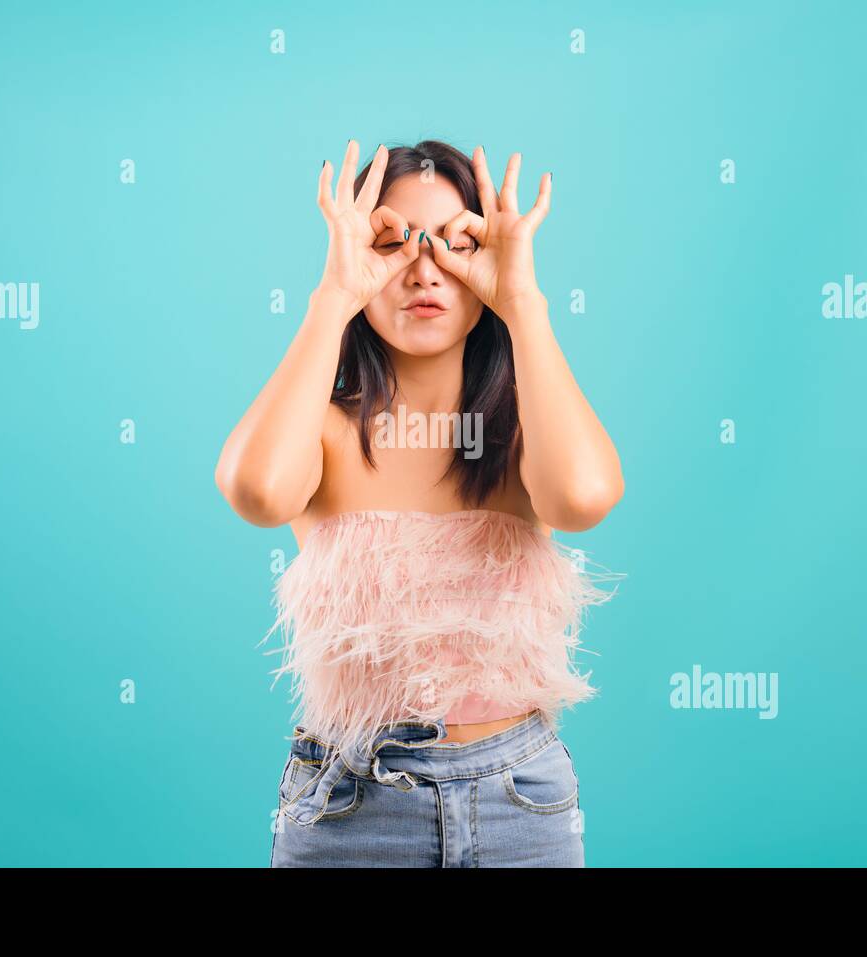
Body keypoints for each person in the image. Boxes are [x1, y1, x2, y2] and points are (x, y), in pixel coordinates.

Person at [216, 138, 623, 866]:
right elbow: (257, 489)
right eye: (392, 244)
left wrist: (522, 299)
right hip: (351, 801)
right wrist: (335, 293)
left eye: (458, 243)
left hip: (519, 802)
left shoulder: (523, 429)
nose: (425, 270)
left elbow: (582, 497)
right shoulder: (329, 430)